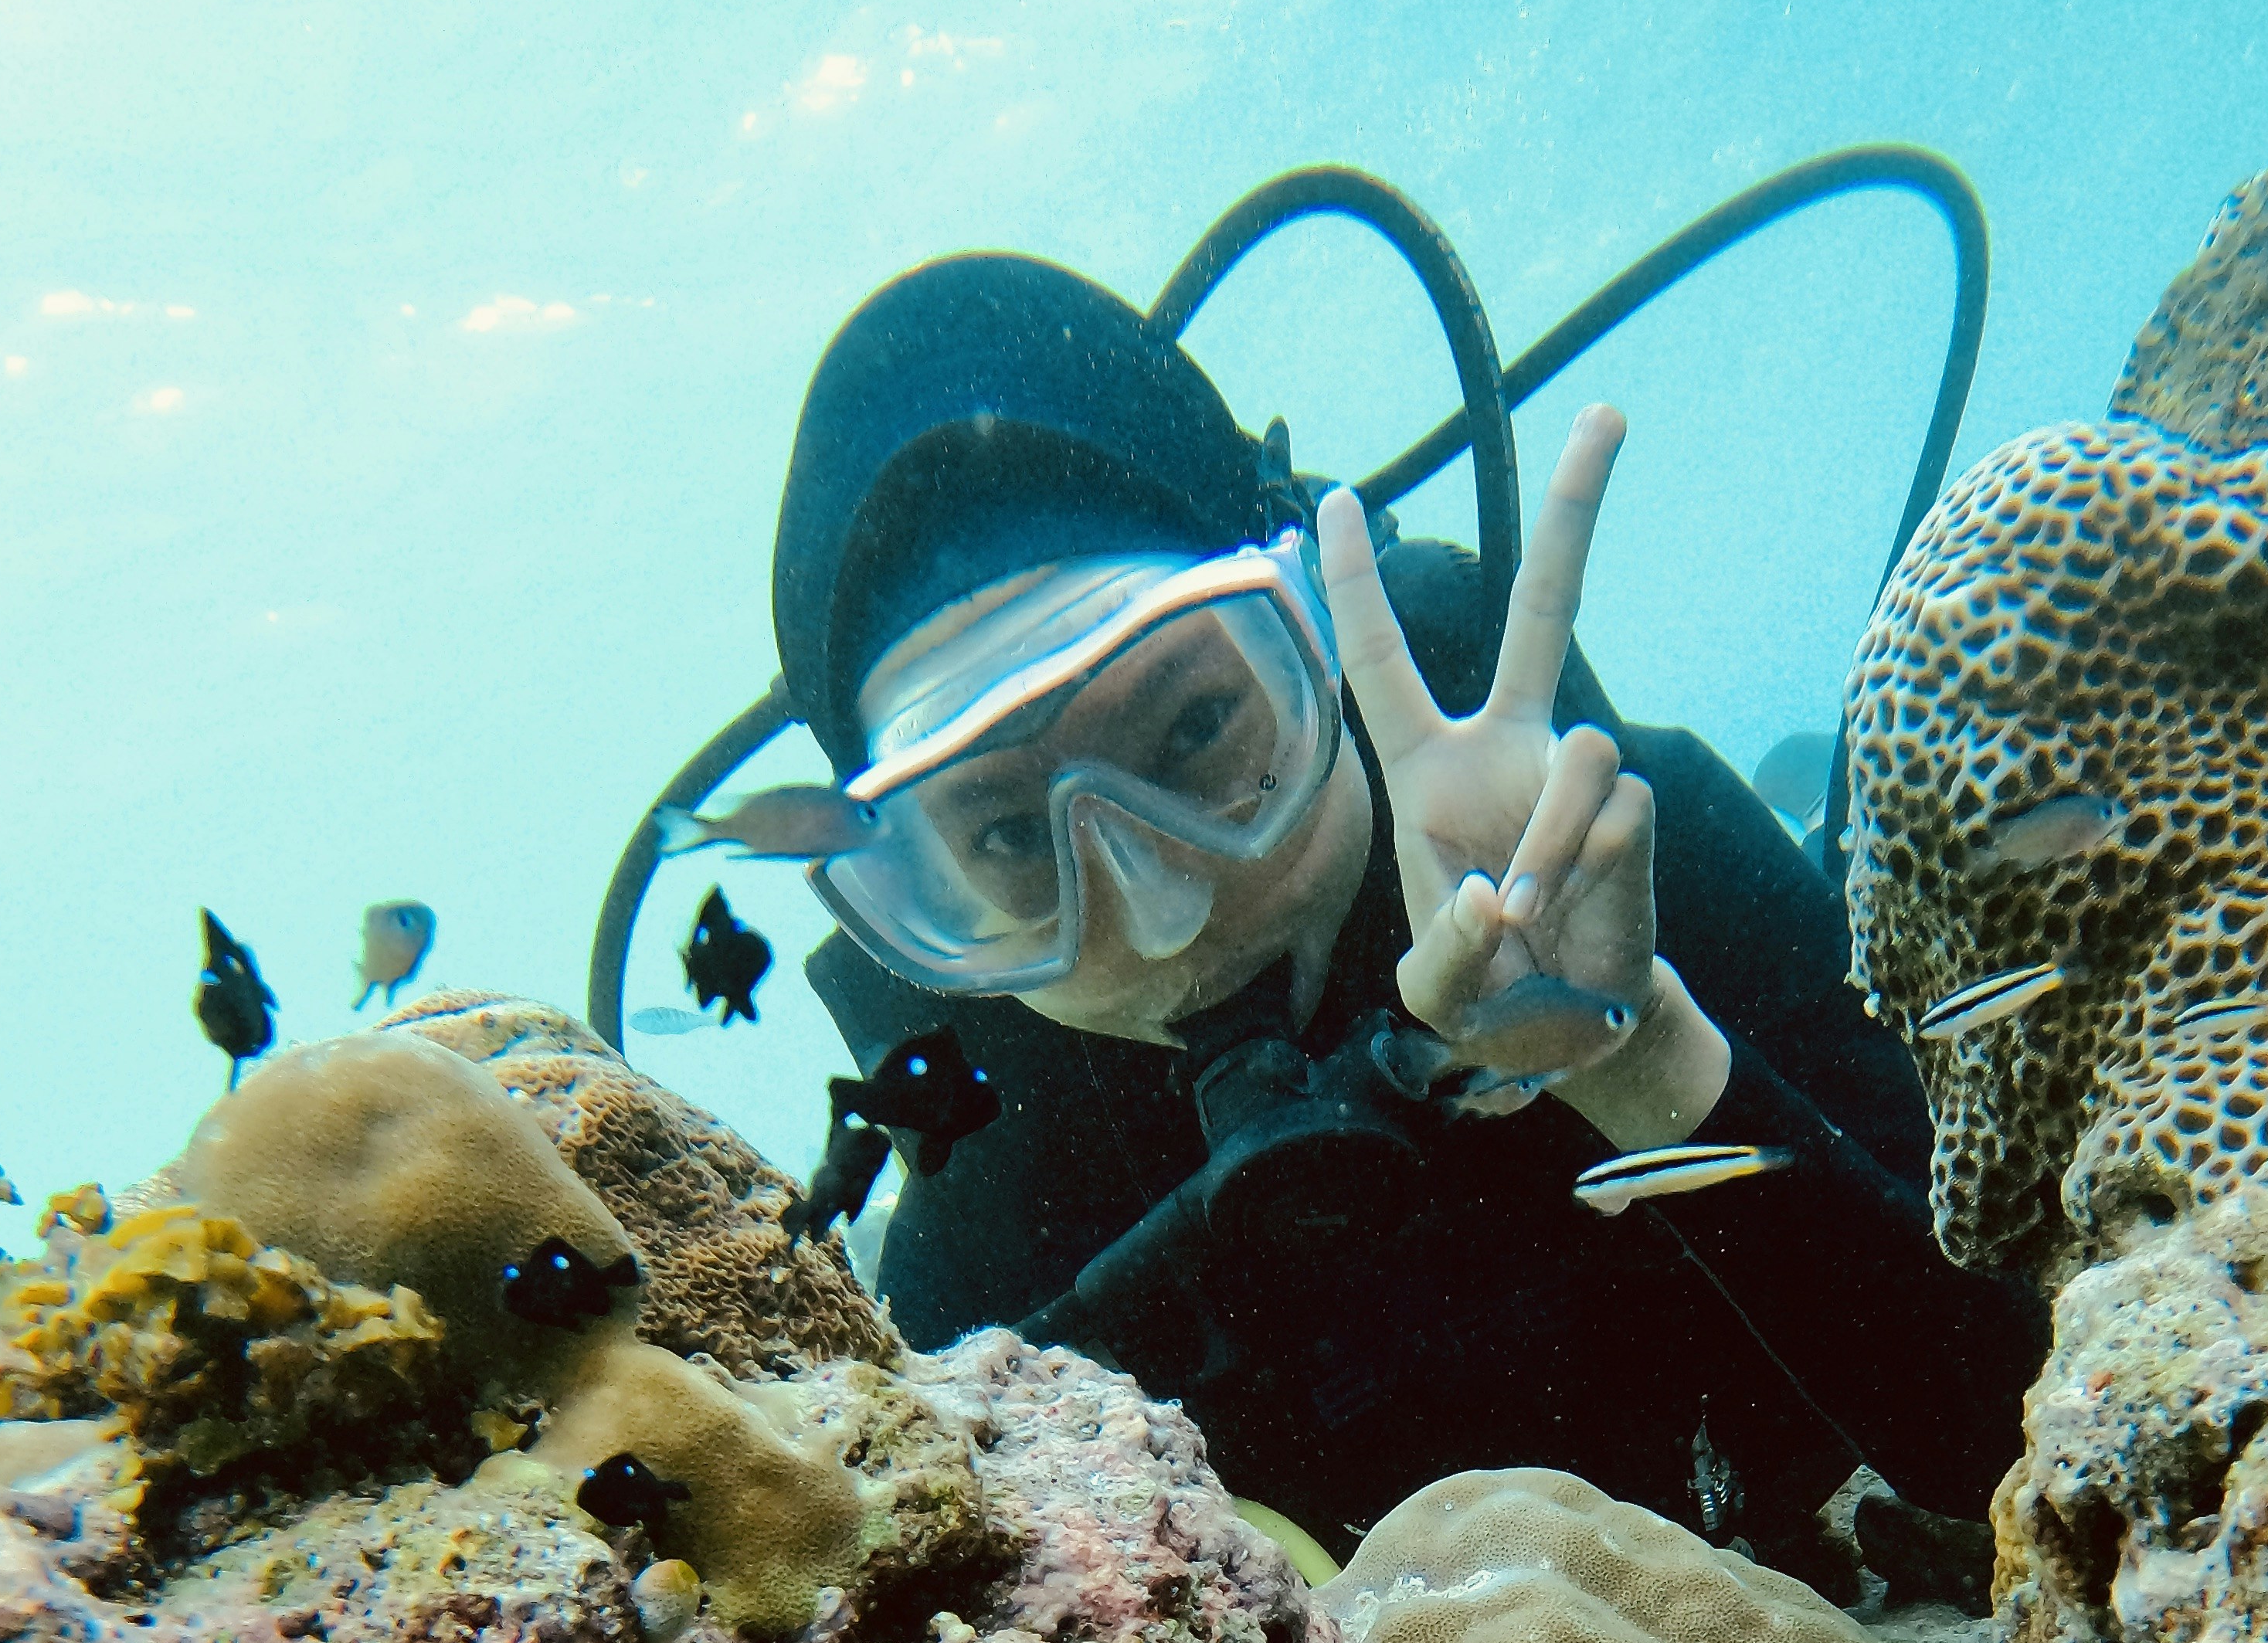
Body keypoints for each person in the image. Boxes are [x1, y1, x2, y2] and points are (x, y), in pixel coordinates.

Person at [771, 253, 2044, 1572]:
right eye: (1000, 834)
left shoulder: (1608, 847)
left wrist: (1639, 1051)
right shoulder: (988, 1172)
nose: (1159, 915)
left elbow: (2006, 1448)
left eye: (1201, 724)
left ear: (1317, 636)